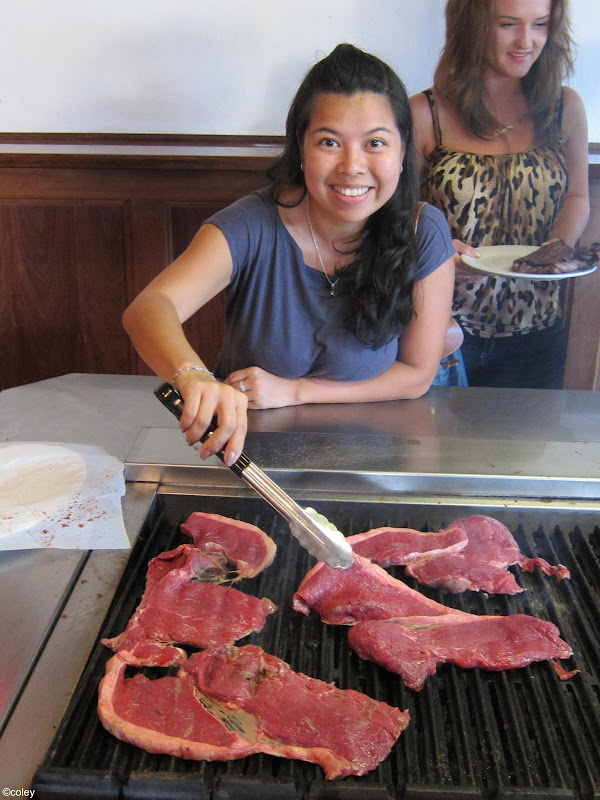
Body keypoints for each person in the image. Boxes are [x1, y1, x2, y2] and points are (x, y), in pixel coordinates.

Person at [122, 44, 456, 465]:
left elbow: (416, 375)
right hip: (247, 462)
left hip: (375, 461)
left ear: (403, 150)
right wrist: (193, 375)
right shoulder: (253, 224)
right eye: (329, 142)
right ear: (300, 147)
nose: (352, 166)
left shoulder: (423, 231)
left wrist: (294, 390)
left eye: (375, 143)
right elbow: (150, 307)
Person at [410, 0, 590, 389]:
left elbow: (578, 196)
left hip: (538, 331)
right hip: (444, 330)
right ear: (472, 25)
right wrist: (439, 252)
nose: (527, 41)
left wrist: (555, 250)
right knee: (436, 450)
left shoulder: (566, 107)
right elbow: (395, 215)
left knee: (528, 449)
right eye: (509, 24)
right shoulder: (425, 114)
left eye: (540, 25)